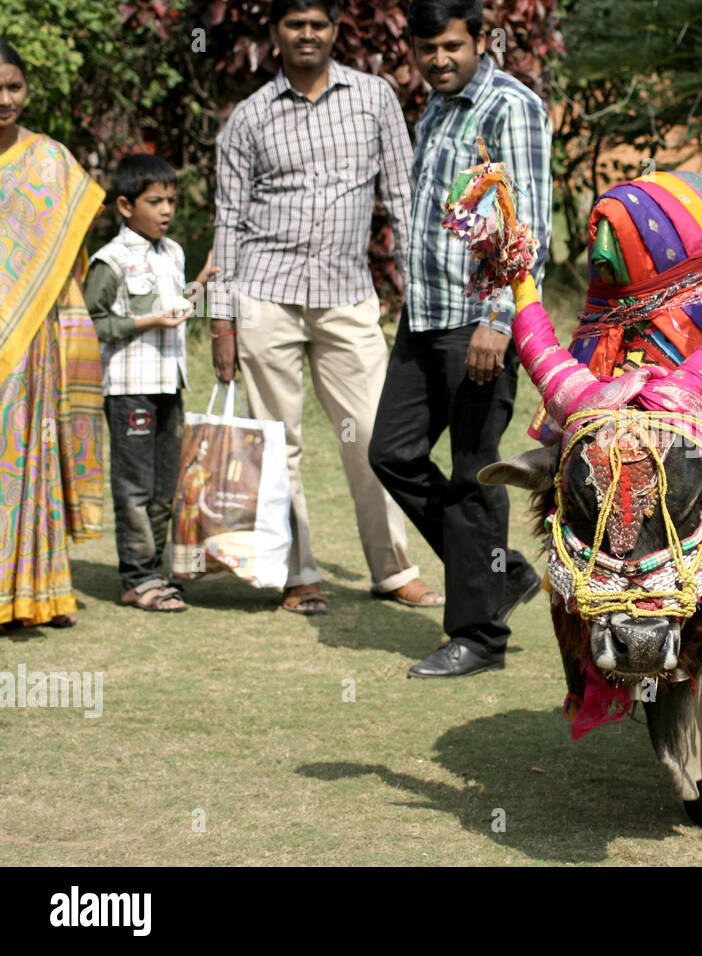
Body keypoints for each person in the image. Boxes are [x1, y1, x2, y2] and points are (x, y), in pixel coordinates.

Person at [209, 0, 441, 615]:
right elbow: (227, 223)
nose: (306, 35)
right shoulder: (249, 116)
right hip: (264, 294)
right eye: (294, 24)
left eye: (317, 24)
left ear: (334, 32)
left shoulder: (374, 98)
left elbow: (404, 195)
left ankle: (394, 571)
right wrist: (220, 317)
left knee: (373, 437)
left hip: (346, 296)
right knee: (277, 442)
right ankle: (297, 572)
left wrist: (421, 292)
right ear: (276, 34)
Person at [369, 0, 548, 678]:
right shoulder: (438, 109)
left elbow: (527, 222)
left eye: (451, 46)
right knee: (391, 451)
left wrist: (499, 318)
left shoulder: (511, 107)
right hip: (424, 318)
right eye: (427, 49)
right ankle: (499, 574)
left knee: (475, 471)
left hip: (479, 325)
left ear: (482, 39)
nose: (439, 60)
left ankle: (479, 636)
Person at [0, 39, 106, 629]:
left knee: (28, 459)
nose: (5, 99)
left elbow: (68, 260)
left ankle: (36, 591)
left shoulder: (49, 162)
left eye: (14, 86)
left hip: (31, 340)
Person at [85, 154, 219, 612]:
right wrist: (145, 323)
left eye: (172, 201)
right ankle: (137, 578)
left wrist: (198, 285)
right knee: (135, 488)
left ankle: (155, 573)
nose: (166, 211)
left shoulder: (175, 252)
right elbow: (93, 323)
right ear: (125, 206)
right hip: (129, 389)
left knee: (166, 487)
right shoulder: (111, 259)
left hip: (168, 386)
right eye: (155, 201)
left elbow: (176, 309)